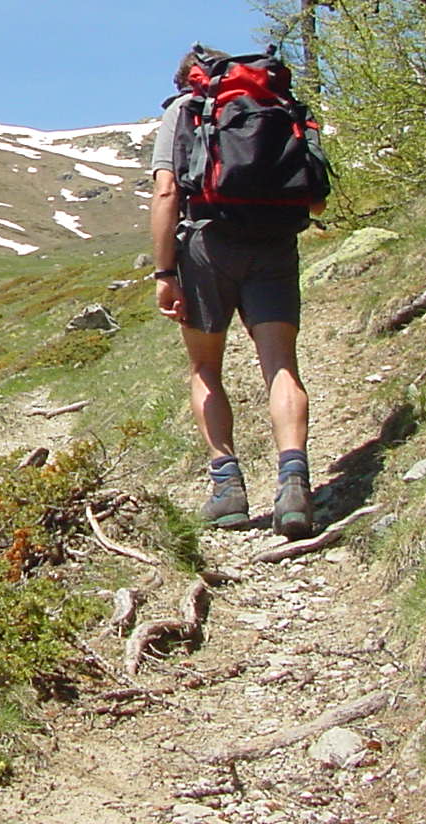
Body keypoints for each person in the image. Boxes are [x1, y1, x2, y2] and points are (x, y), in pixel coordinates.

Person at [148, 46, 320, 539]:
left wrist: (164, 272)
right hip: (272, 242)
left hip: (207, 245)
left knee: (205, 367)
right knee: (282, 366)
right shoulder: (276, 104)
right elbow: (317, 194)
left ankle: (227, 489)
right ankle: (294, 484)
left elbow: (166, 193)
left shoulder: (186, 110)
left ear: (188, 80)